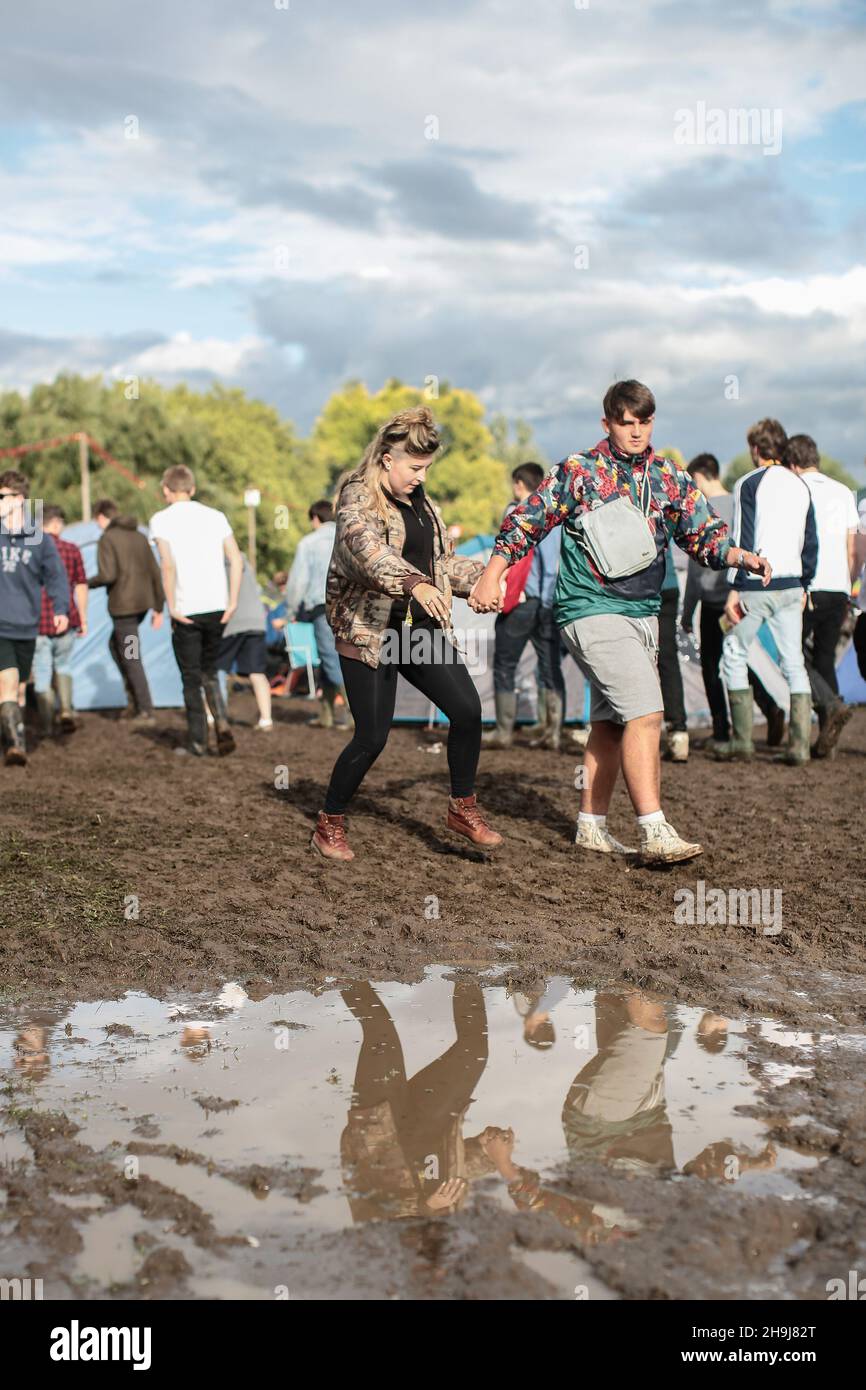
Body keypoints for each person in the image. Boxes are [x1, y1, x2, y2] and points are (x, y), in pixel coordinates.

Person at [469, 380, 771, 864]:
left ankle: (591, 826)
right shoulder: (579, 471)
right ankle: (655, 830)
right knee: (648, 714)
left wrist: (739, 556)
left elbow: (702, 535)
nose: (635, 430)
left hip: (642, 613)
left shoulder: (669, 476)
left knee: (611, 725)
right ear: (607, 423)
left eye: (643, 421)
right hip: (588, 608)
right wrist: (492, 575)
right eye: (625, 421)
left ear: (652, 421)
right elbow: (527, 519)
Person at [311, 406, 501, 861]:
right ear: (385, 460)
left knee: (468, 711)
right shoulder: (356, 497)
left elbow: (441, 564)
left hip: (417, 629)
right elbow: (366, 552)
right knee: (373, 737)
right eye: (415, 468)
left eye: (427, 468)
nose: (421, 476)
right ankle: (329, 822)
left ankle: (462, 807)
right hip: (370, 632)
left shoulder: (424, 505)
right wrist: (414, 582)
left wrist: (481, 578)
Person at [719, 419, 816, 765]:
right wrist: (806, 584)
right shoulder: (801, 486)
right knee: (794, 663)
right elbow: (811, 540)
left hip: (757, 587)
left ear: (756, 449)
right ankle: (800, 746)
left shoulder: (748, 483)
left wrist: (734, 588)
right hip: (792, 586)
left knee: (732, 650)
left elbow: (743, 541)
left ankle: (742, 741)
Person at [682, 454, 785, 751]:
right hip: (741, 595)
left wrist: (688, 614)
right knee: (737, 658)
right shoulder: (740, 502)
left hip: (714, 601)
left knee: (712, 666)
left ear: (699, 478)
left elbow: (693, 566)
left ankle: (722, 732)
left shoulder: (702, 510)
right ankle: (769, 706)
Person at [149, 466, 243, 757]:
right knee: (210, 672)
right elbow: (235, 559)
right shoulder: (216, 516)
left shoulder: (160, 520)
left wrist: (170, 605)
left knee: (191, 678)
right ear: (192, 488)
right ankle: (223, 724)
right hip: (216, 606)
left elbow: (167, 564)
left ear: (166, 490)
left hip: (186, 608)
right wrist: (232, 601)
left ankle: (198, 742)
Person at [783, 434, 858, 759]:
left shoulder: (796, 490)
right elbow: (854, 547)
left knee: (793, 655)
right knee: (825, 657)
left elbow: (794, 540)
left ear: (792, 463)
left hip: (807, 586)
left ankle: (830, 706)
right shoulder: (843, 491)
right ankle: (829, 732)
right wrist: (848, 583)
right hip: (839, 586)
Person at [482, 463, 566, 751]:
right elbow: (551, 564)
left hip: (519, 603)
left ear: (519, 484)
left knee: (505, 664)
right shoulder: (552, 516)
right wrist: (547, 603)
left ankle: (504, 730)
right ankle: (552, 731)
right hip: (545, 603)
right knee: (549, 665)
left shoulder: (518, 512)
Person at [0, 470, 69, 765]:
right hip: (1, 625)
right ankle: (16, 747)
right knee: (8, 682)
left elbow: (55, 576)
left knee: (20, 687)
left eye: (5, 497)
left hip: (27, 625)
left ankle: (15, 734)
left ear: (21, 500)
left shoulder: (37, 539)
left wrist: (61, 608)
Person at [89, 498, 166, 724]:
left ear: (102, 517)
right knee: (116, 646)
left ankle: (145, 710)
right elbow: (155, 571)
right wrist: (159, 606)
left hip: (124, 609)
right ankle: (134, 702)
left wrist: (85, 582)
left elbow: (108, 575)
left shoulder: (107, 538)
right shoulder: (140, 537)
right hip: (142, 605)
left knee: (131, 656)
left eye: (97, 521)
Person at [285, 500, 346, 728]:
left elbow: (297, 582)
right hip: (351, 607)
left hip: (323, 606)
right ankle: (326, 715)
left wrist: (291, 610)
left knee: (330, 659)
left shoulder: (309, 543)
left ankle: (355, 715)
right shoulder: (347, 538)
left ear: (315, 518)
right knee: (342, 657)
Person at [33, 505, 88, 736]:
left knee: (42, 671)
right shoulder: (72, 549)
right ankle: (66, 709)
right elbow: (81, 585)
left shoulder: (31, 550)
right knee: (64, 665)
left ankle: (45, 726)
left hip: (37, 621)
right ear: (56, 523)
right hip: (66, 618)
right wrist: (83, 619)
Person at [216, 552, 272, 730]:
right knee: (257, 672)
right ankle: (266, 719)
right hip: (256, 621)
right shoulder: (243, 559)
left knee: (218, 669)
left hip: (232, 622)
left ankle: (216, 715)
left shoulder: (214, 560)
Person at [657, 547, 688, 761]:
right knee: (668, 660)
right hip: (669, 584)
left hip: (642, 588)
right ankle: (678, 732)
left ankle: (629, 731)